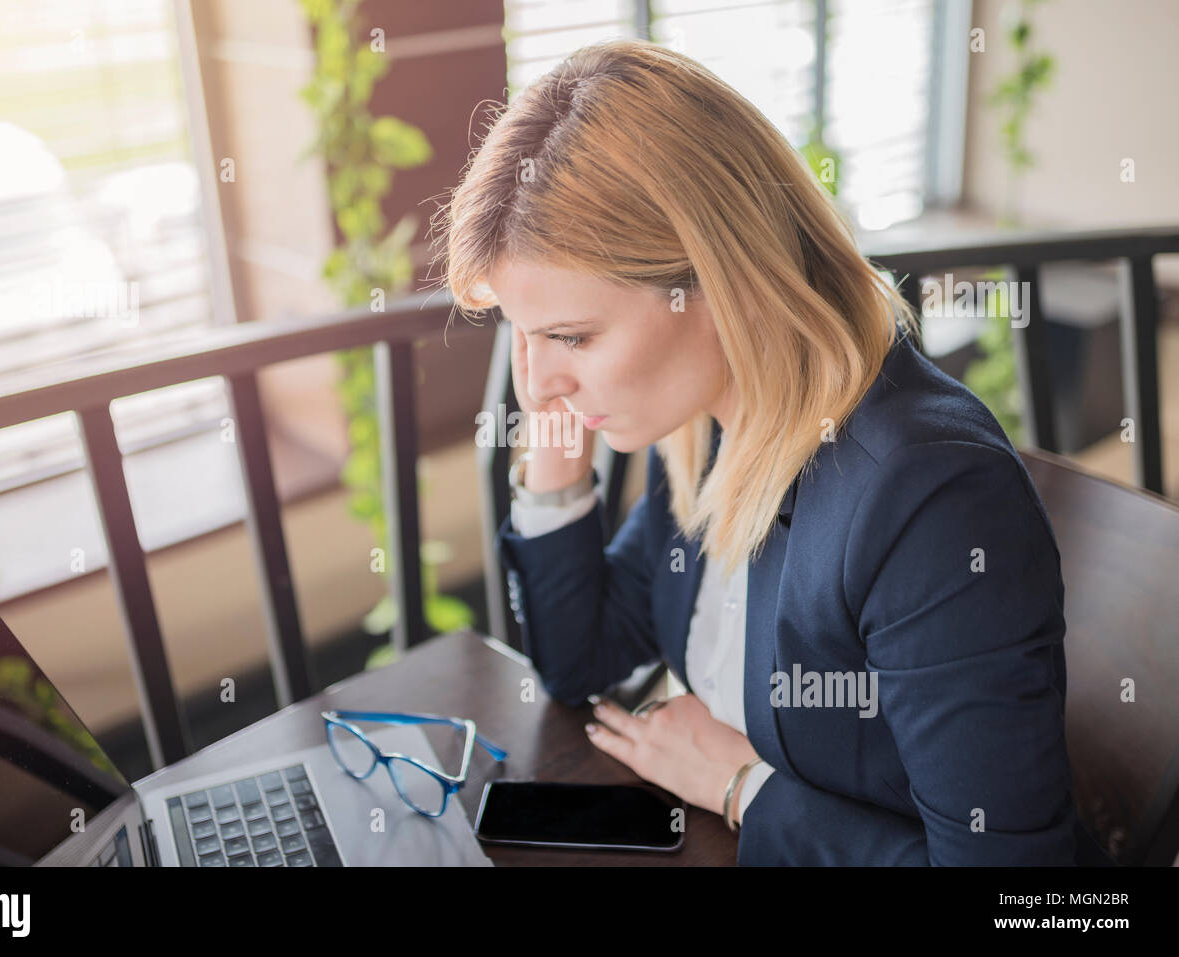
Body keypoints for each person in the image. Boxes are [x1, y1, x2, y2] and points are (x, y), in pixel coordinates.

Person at [432, 38, 1110, 866]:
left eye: (570, 334)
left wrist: (743, 788)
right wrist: (558, 453)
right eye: (521, 335)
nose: (534, 385)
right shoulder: (714, 419)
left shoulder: (929, 499)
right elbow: (581, 659)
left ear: (717, 279)